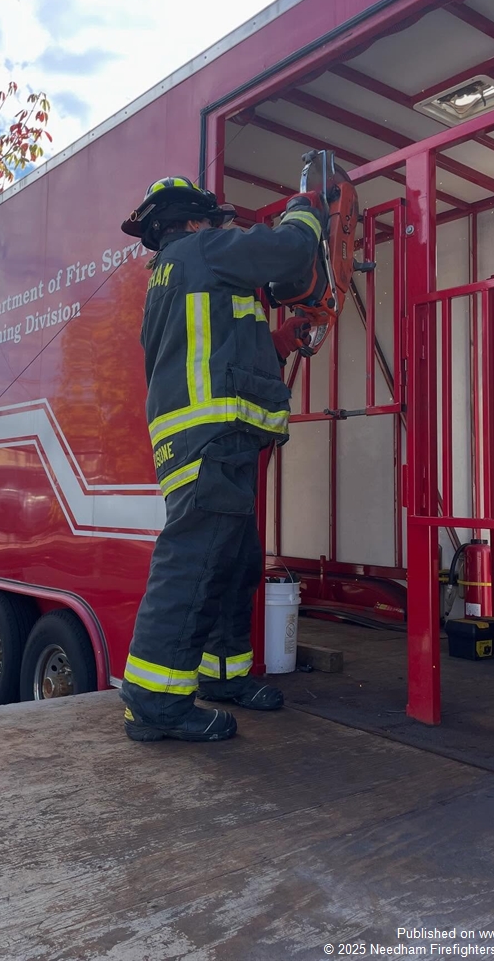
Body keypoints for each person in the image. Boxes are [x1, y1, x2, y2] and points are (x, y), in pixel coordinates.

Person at [119, 176, 322, 742]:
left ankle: (223, 677)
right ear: (192, 222)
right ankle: (154, 704)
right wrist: (306, 208)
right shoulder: (202, 251)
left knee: (233, 563)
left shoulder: (178, 275)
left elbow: (217, 347)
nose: (218, 228)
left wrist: (280, 342)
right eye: (212, 221)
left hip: (209, 440)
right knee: (193, 565)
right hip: (210, 440)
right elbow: (292, 251)